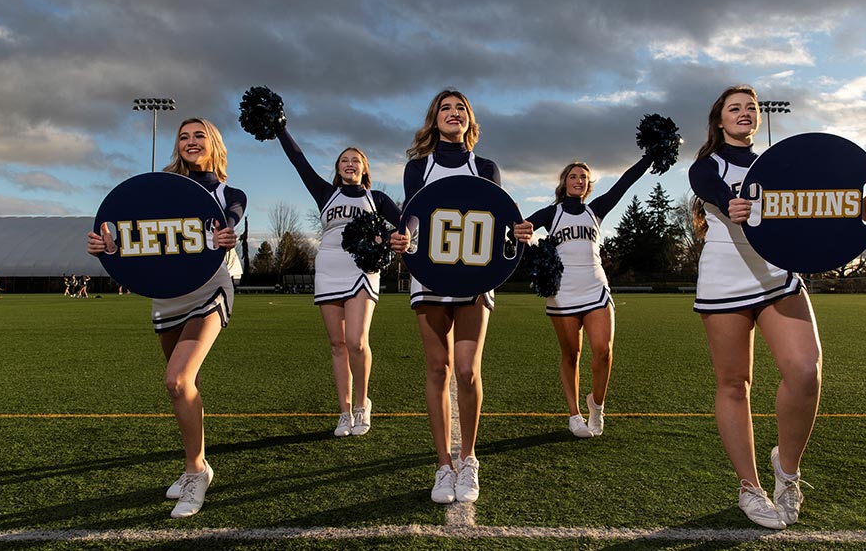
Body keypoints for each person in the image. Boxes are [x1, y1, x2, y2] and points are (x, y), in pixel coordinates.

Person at [688, 86, 866, 529]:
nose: (745, 113)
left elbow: (823, 201)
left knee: (805, 371)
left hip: (778, 275)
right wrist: (729, 203)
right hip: (725, 278)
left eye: (751, 108)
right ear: (719, 120)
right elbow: (706, 185)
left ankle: (788, 471)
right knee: (733, 384)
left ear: (759, 119)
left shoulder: (779, 163)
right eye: (735, 108)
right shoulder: (709, 165)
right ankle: (749, 487)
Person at [88, 117, 245, 519]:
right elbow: (129, 232)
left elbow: (230, 217)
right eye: (184, 136)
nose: (191, 142)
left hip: (210, 288)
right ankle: (198, 462)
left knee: (177, 379)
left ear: (213, 144)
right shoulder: (158, 189)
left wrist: (225, 232)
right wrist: (106, 245)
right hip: (166, 296)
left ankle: (196, 473)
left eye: (199, 136)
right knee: (183, 388)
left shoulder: (230, 192)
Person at [390, 88, 532, 505]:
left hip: (473, 278)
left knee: (467, 370)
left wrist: (519, 231)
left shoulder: (486, 166)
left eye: (460, 108)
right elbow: (411, 214)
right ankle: (443, 465)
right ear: (434, 120)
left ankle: (468, 458)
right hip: (430, 273)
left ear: (470, 120)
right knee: (438, 369)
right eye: (445, 109)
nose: (453, 113)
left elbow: (503, 219)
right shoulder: (418, 167)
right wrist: (404, 236)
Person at [276, 125, 400, 437]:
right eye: (344, 159)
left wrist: (381, 238)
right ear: (337, 168)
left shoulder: (378, 199)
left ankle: (362, 404)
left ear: (365, 168)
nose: (349, 163)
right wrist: (280, 128)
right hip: (329, 267)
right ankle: (344, 412)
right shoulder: (326, 194)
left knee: (357, 340)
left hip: (361, 268)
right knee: (337, 344)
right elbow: (298, 160)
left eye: (355, 160)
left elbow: (405, 230)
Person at [524, 156, 651, 438]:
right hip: (562, 292)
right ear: (564, 182)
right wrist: (523, 236)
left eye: (584, 177)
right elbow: (521, 228)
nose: (579, 180)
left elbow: (626, 181)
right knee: (571, 354)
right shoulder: (551, 214)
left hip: (595, 287)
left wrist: (651, 156)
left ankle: (597, 404)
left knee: (603, 351)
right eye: (573, 176)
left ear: (588, 184)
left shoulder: (596, 210)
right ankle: (573, 414)